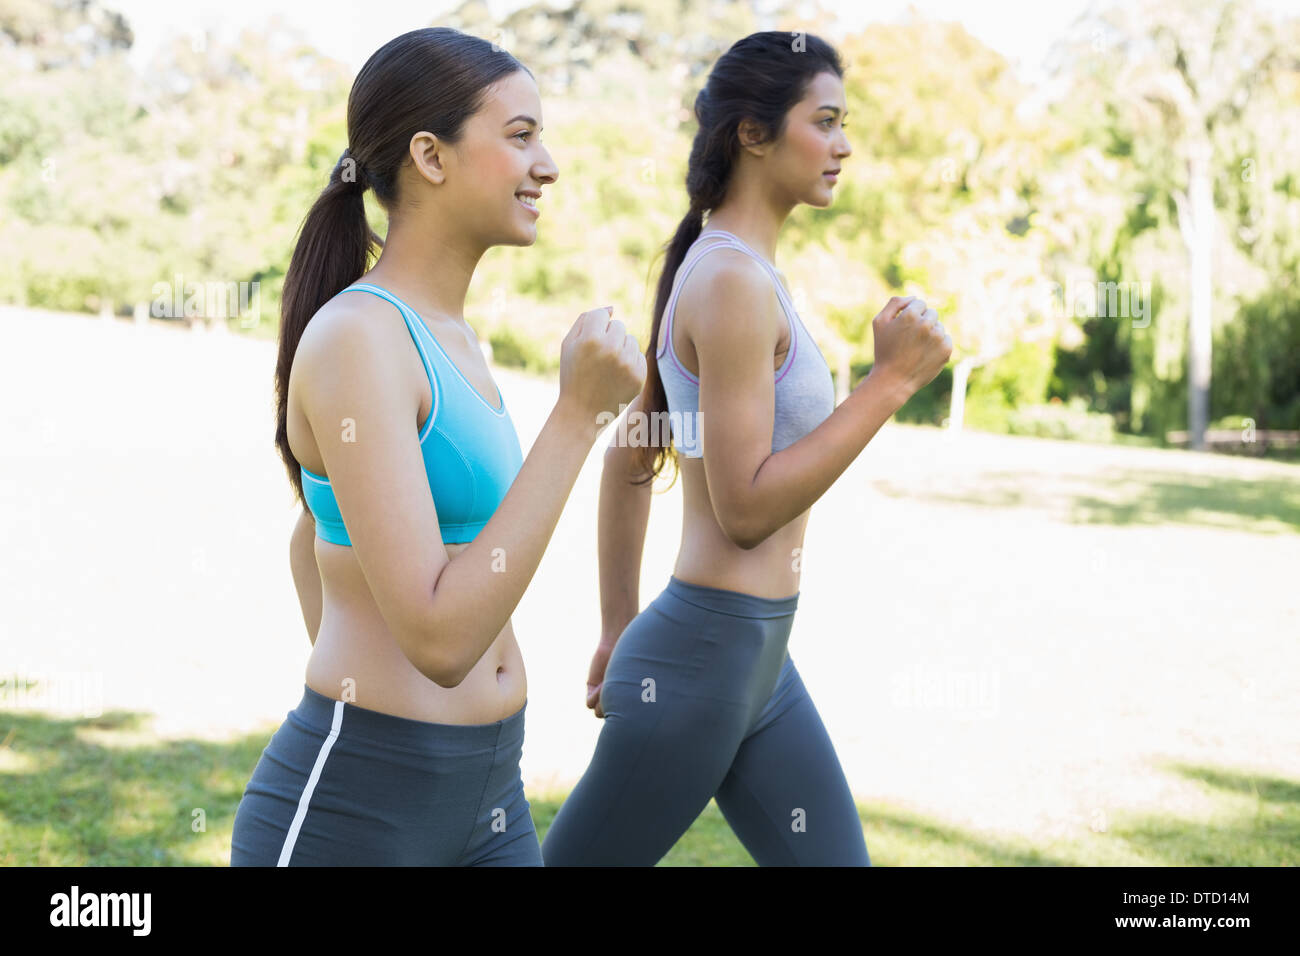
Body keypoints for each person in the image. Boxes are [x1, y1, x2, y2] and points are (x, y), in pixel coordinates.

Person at [230, 27, 644, 867]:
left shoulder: (449, 337)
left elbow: (315, 534)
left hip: (489, 792)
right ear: (431, 154)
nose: (549, 164)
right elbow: (441, 641)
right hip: (357, 811)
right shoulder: (358, 335)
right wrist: (577, 416)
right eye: (520, 135)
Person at [540, 31, 952, 866]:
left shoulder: (738, 270)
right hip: (703, 661)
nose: (843, 144)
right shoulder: (728, 279)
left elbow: (634, 450)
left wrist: (621, 629)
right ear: (752, 134)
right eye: (824, 120)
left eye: (844, 123)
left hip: (753, 664)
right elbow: (749, 507)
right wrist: (891, 384)